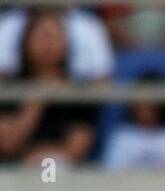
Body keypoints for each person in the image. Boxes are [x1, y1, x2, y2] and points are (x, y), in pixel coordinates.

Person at [0, 10, 98, 166]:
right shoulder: (10, 88)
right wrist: (37, 101)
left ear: (66, 42)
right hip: (14, 168)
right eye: (42, 36)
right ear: (26, 40)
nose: (48, 43)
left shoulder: (78, 91)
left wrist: (43, 159)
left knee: (51, 172)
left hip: (60, 172)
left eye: (53, 36)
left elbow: (78, 147)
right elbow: (7, 144)